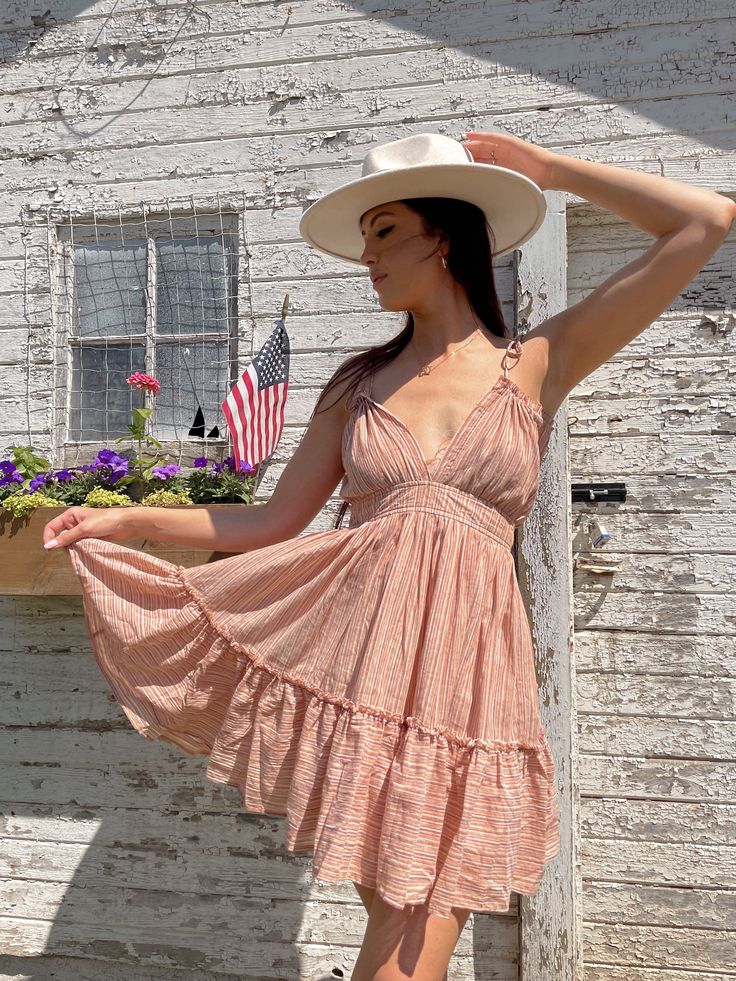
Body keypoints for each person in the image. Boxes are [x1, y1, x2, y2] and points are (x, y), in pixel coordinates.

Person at [42, 131, 734, 981]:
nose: (366, 257)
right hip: (364, 673)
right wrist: (124, 524)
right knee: (398, 919)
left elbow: (704, 222)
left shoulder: (536, 366)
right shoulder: (358, 385)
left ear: (442, 236)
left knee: (416, 930)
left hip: (465, 683)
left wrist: (549, 174)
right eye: (364, 237)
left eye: (385, 232)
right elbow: (269, 525)